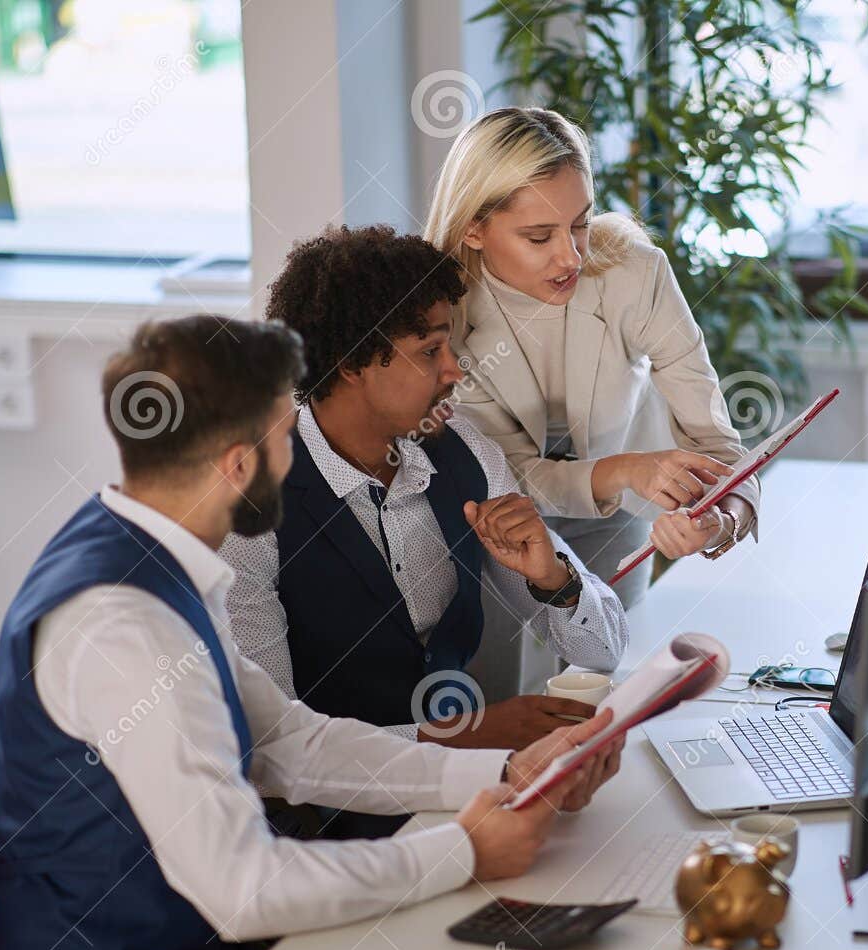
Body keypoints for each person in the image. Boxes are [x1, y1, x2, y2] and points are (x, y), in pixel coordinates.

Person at [0, 316, 621, 950]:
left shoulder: (146, 543)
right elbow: (244, 885)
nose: (296, 456)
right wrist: (463, 851)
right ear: (235, 465)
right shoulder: (128, 628)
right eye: (286, 433)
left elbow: (286, 738)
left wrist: (504, 772)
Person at [222, 225, 627, 761]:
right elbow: (273, 748)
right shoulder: (251, 507)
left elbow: (604, 651)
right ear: (352, 361)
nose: (455, 369)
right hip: (327, 825)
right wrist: (465, 737)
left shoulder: (466, 454)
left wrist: (556, 579)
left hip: (460, 785)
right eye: (431, 348)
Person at [424, 106, 760, 607]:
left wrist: (719, 520)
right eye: (539, 237)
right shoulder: (442, 317)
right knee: (509, 682)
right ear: (473, 229)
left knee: (607, 675)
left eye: (579, 224)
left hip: (616, 517)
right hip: (500, 520)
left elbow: (718, 444)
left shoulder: (635, 274)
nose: (571, 257)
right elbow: (514, 474)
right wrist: (625, 470)